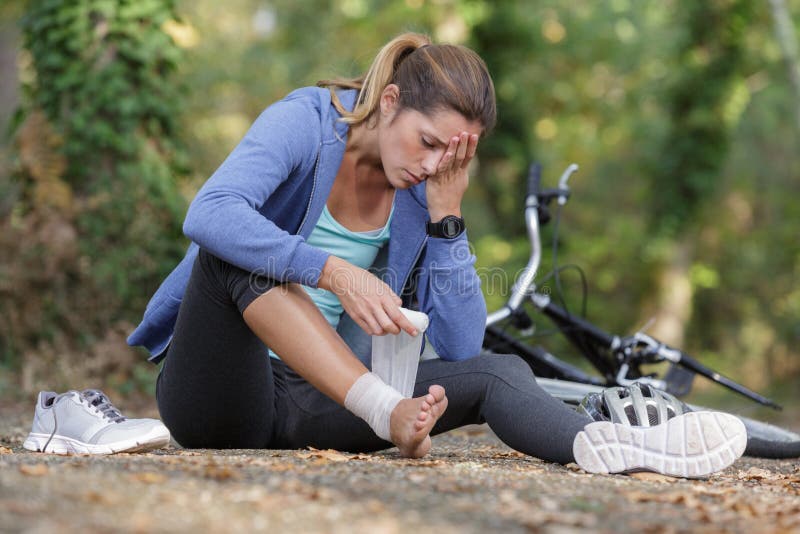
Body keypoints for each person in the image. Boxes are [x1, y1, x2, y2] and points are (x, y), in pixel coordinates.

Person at [127, 33, 747, 476]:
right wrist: (335, 272)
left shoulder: (421, 195)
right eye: (425, 143)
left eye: (447, 156)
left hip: (318, 399)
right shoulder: (307, 122)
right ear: (389, 101)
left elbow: (459, 344)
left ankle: (617, 448)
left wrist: (447, 219)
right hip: (220, 395)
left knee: (498, 370)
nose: (429, 166)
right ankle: (386, 411)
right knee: (234, 252)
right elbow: (209, 213)